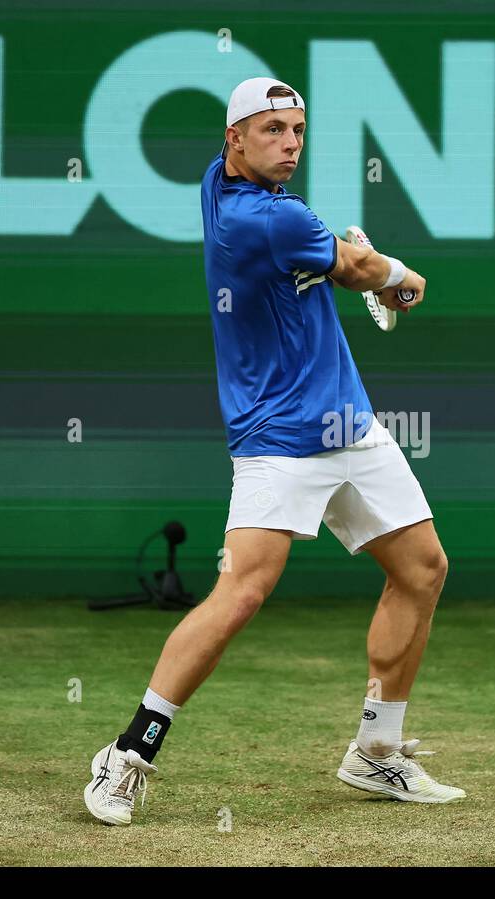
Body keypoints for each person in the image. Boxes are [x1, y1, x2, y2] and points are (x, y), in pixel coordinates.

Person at [85, 77, 462, 826]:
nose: (290, 144)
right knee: (242, 594)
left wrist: (341, 258)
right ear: (236, 139)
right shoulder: (265, 218)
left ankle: (376, 753)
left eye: (297, 129)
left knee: (422, 569)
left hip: (350, 425)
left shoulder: (220, 182)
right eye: (272, 131)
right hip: (279, 439)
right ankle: (126, 756)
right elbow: (360, 273)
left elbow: (324, 263)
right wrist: (402, 280)